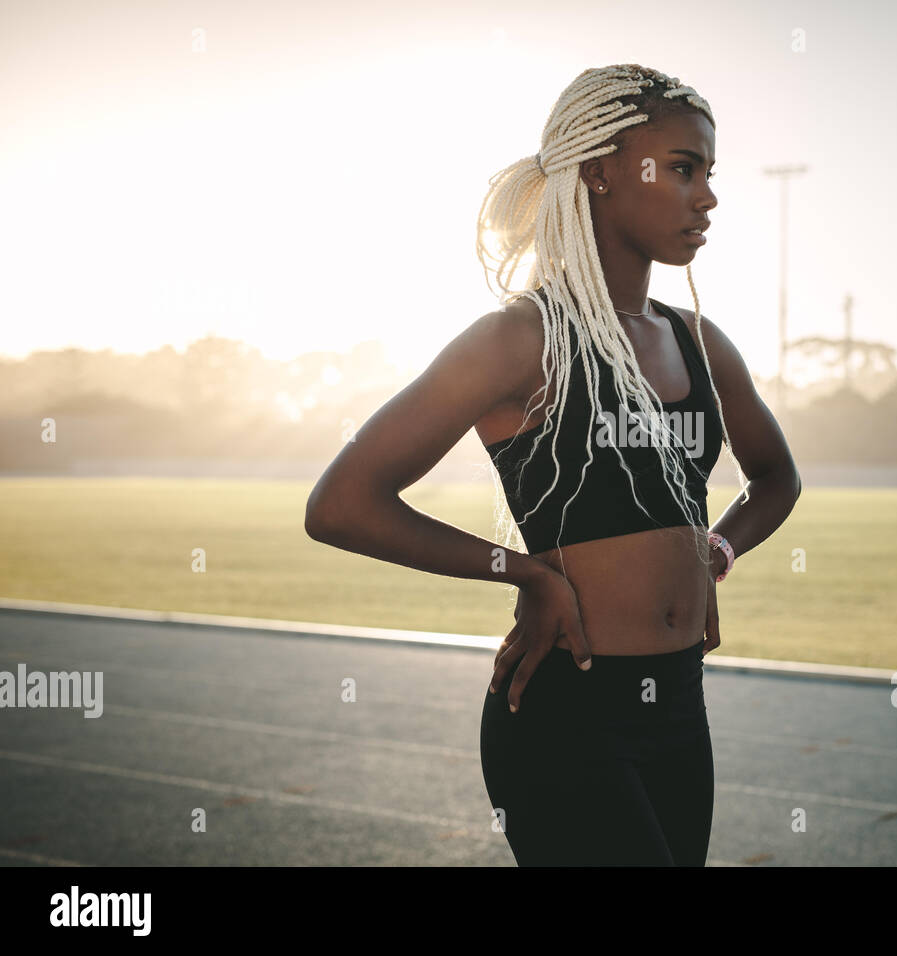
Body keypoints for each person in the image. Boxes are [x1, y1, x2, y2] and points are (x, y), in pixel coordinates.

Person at [304, 64, 801, 866]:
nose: (706, 196)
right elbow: (342, 502)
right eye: (681, 168)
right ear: (601, 171)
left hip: (678, 706)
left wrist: (719, 549)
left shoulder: (700, 344)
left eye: (710, 174)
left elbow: (776, 477)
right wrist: (523, 573)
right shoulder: (519, 339)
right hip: (565, 711)